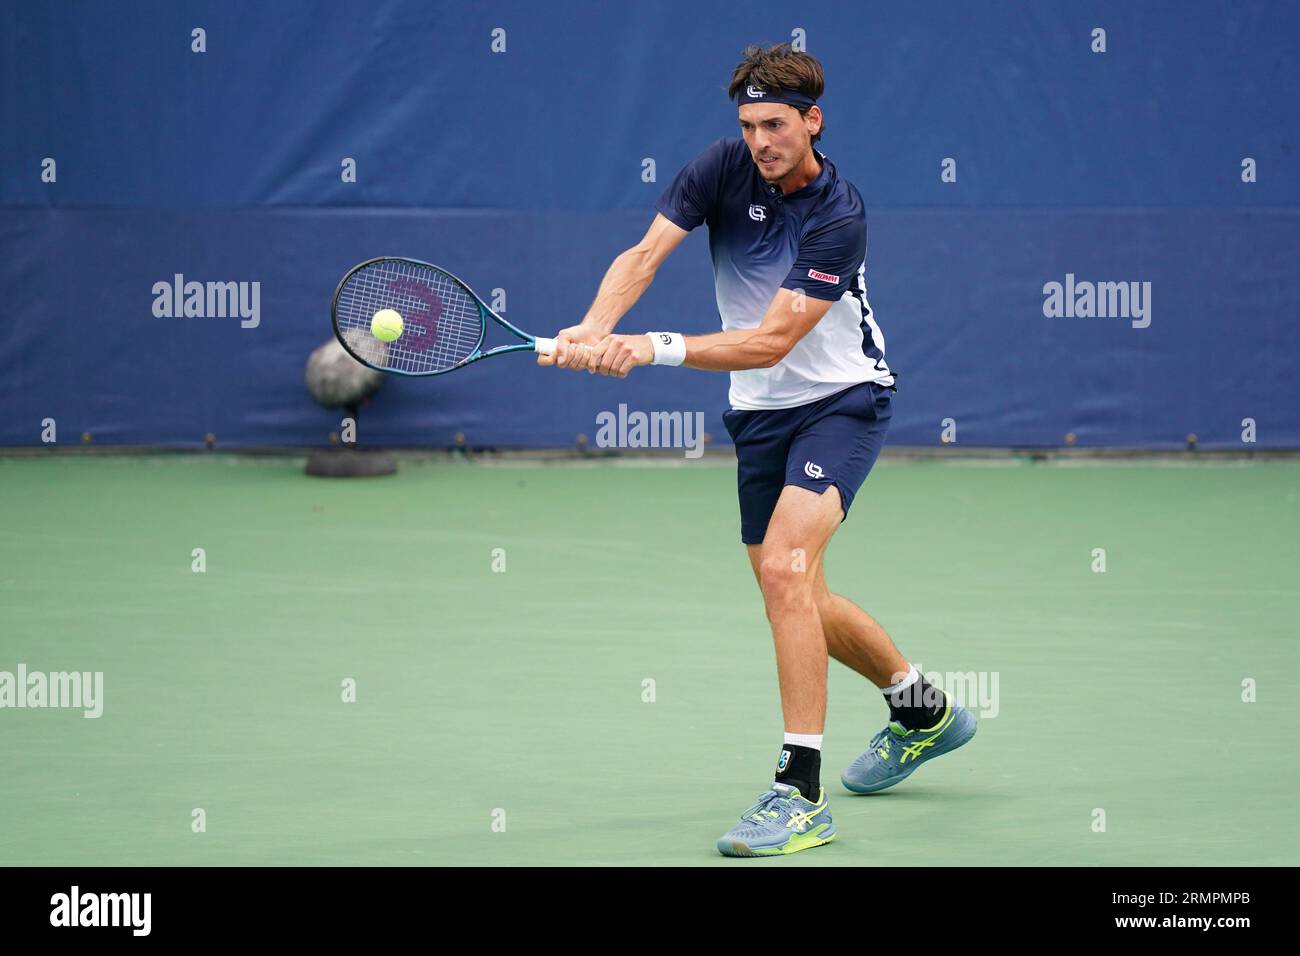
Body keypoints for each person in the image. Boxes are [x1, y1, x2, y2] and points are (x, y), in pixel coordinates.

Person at [540, 42, 976, 857]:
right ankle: (922, 711)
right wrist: (594, 329)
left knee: (785, 570)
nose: (760, 141)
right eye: (748, 124)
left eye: (776, 124)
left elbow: (774, 339)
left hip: (842, 400)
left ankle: (798, 792)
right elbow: (642, 255)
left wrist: (649, 347)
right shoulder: (719, 168)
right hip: (760, 415)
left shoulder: (839, 216)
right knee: (794, 590)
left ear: (813, 121)